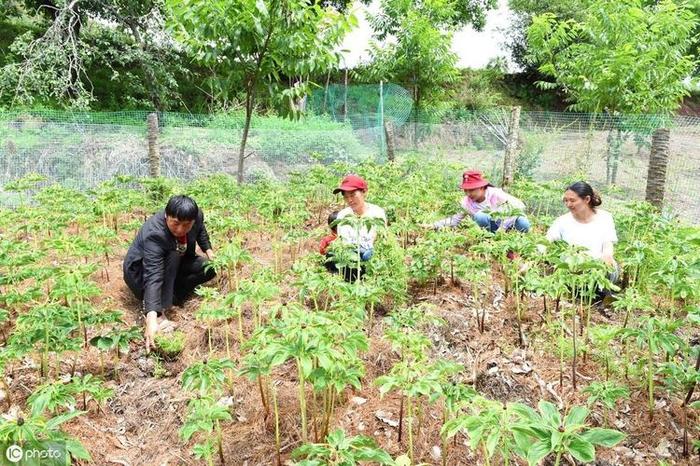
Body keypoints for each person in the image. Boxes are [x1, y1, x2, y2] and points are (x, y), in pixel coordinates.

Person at [123, 195, 216, 353]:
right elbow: (153, 276)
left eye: (186, 225)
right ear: (167, 216)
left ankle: (172, 296)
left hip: (176, 261)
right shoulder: (155, 234)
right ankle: (160, 313)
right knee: (172, 255)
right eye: (175, 224)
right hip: (140, 273)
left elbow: (201, 231)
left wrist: (210, 253)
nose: (180, 230)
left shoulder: (196, 216)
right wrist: (152, 317)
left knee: (209, 268)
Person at [546, 181, 618, 279]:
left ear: (587, 199)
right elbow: (546, 242)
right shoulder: (562, 221)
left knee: (612, 269)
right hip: (572, 269)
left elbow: (608, 246)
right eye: (565, 200)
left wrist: (607, 257)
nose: (568, 204)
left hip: (597, 268)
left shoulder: (605, 217)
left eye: (572, 200)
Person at [432, 170, 530, 233]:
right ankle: (490, 237)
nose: (468, 194)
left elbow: (519, 206)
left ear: (482, 187)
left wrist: (503, 228)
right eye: (466, 190)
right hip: (494, 227)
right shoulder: (466, 202)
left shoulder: (495, 194)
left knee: (523, 223)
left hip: (509, 224)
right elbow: (455, 220)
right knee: (480, 216)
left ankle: (515, 239)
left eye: (472, 190)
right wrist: (434, 225)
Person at [334, 174, 387, 260]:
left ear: (364, 192)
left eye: (353, 195)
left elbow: (380, 240)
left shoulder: (377, 213)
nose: (349, 200)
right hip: (350, 262)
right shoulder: (342, 216)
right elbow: (343, 243)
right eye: (346, 197)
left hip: (372, 261)